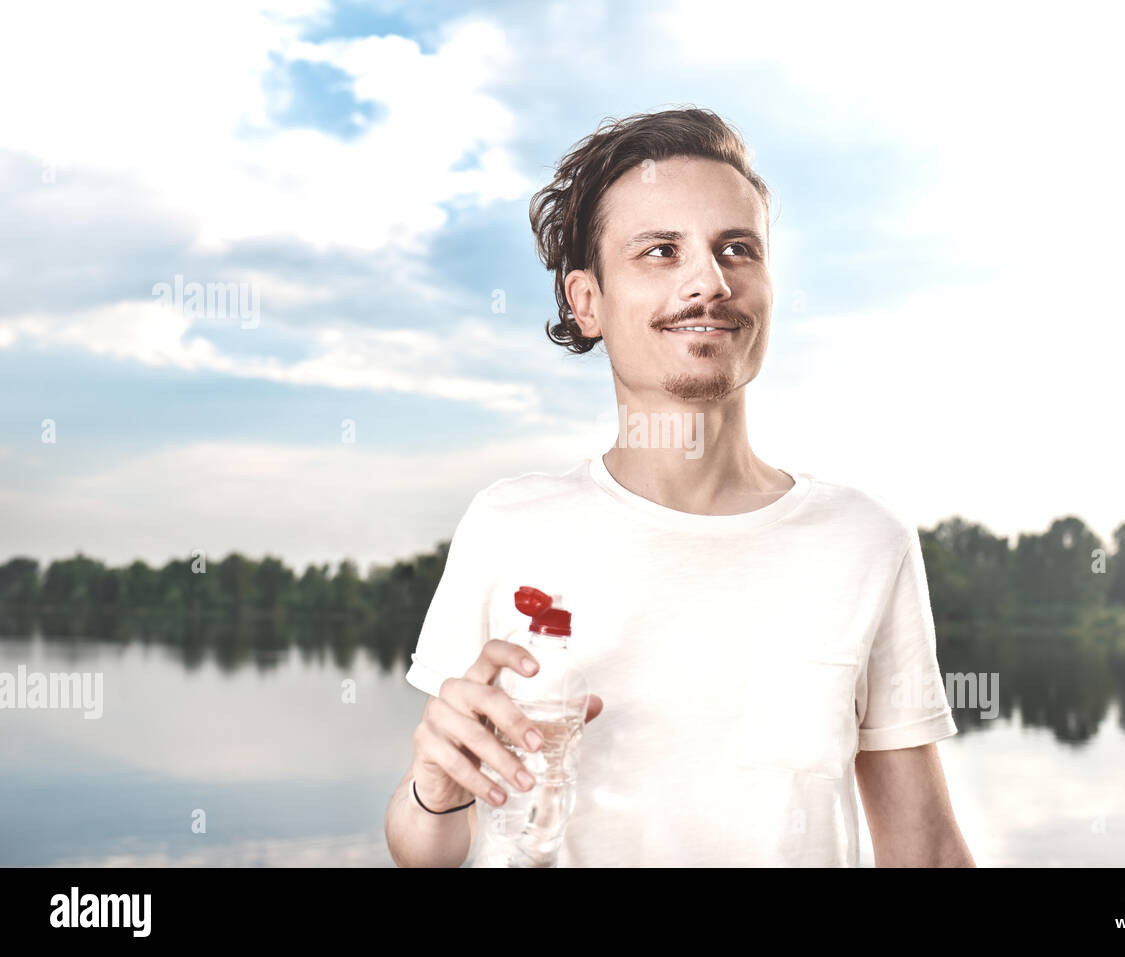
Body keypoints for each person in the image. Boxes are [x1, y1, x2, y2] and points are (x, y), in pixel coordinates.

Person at [384, 107, 974, 867]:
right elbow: (425, 849)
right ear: (586, 302)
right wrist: (435, 786)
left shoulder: (864, 541)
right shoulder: (509, 524)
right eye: (661, 251)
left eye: (738, 249)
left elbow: (923, 851)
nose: (709, 281)